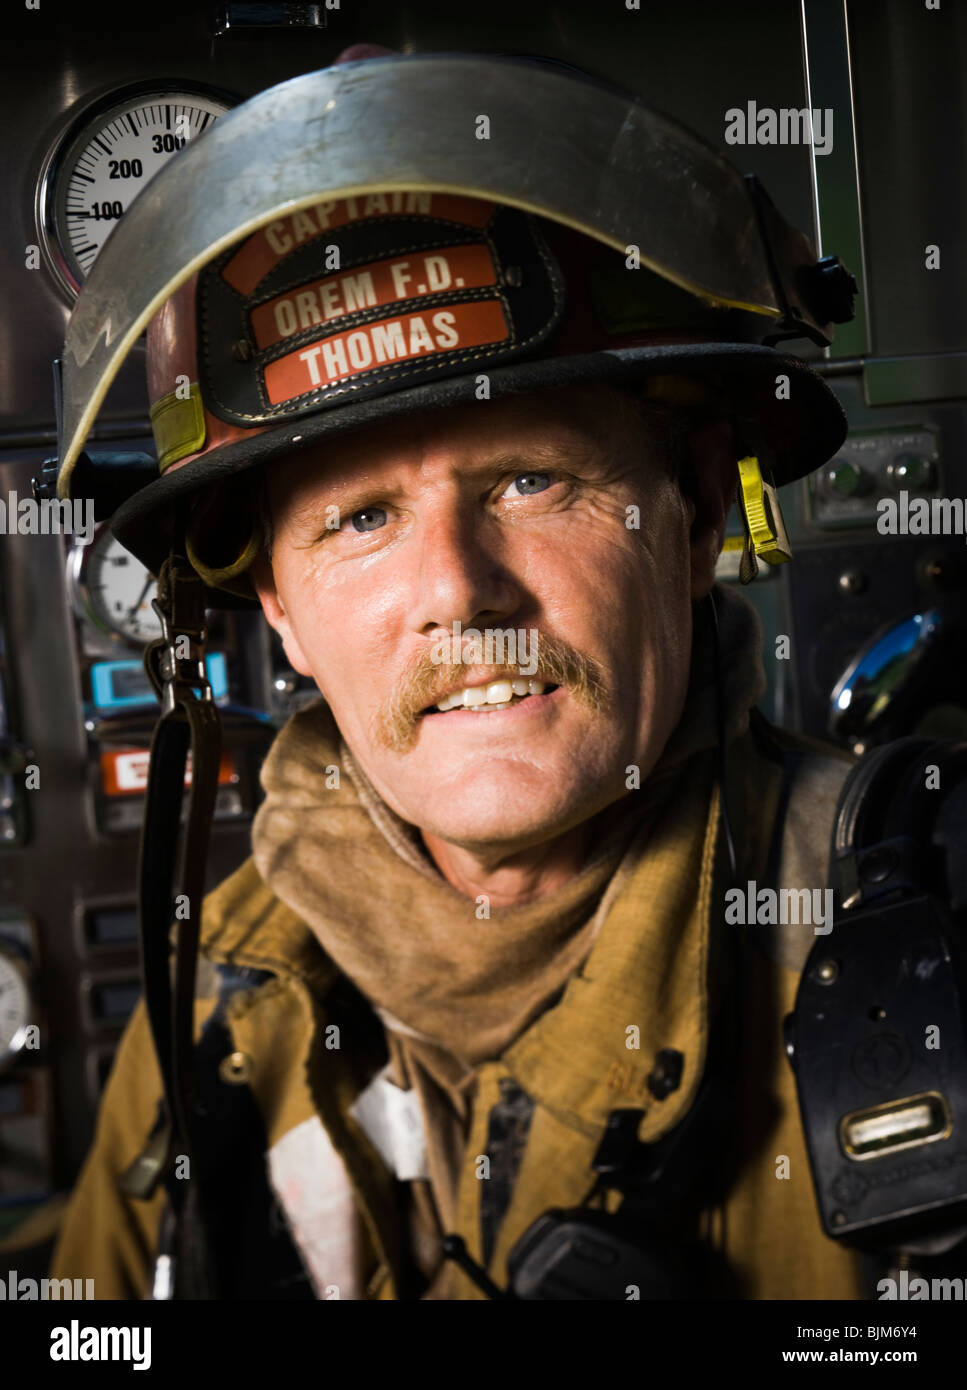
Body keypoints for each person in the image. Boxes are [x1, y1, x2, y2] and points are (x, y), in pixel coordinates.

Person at [49, 47, 863, 1300]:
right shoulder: (216, 986)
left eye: (530, 480)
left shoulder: (900, 939)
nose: (453, 589)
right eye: (360, 519)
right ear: (281, 609)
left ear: (697, 514)